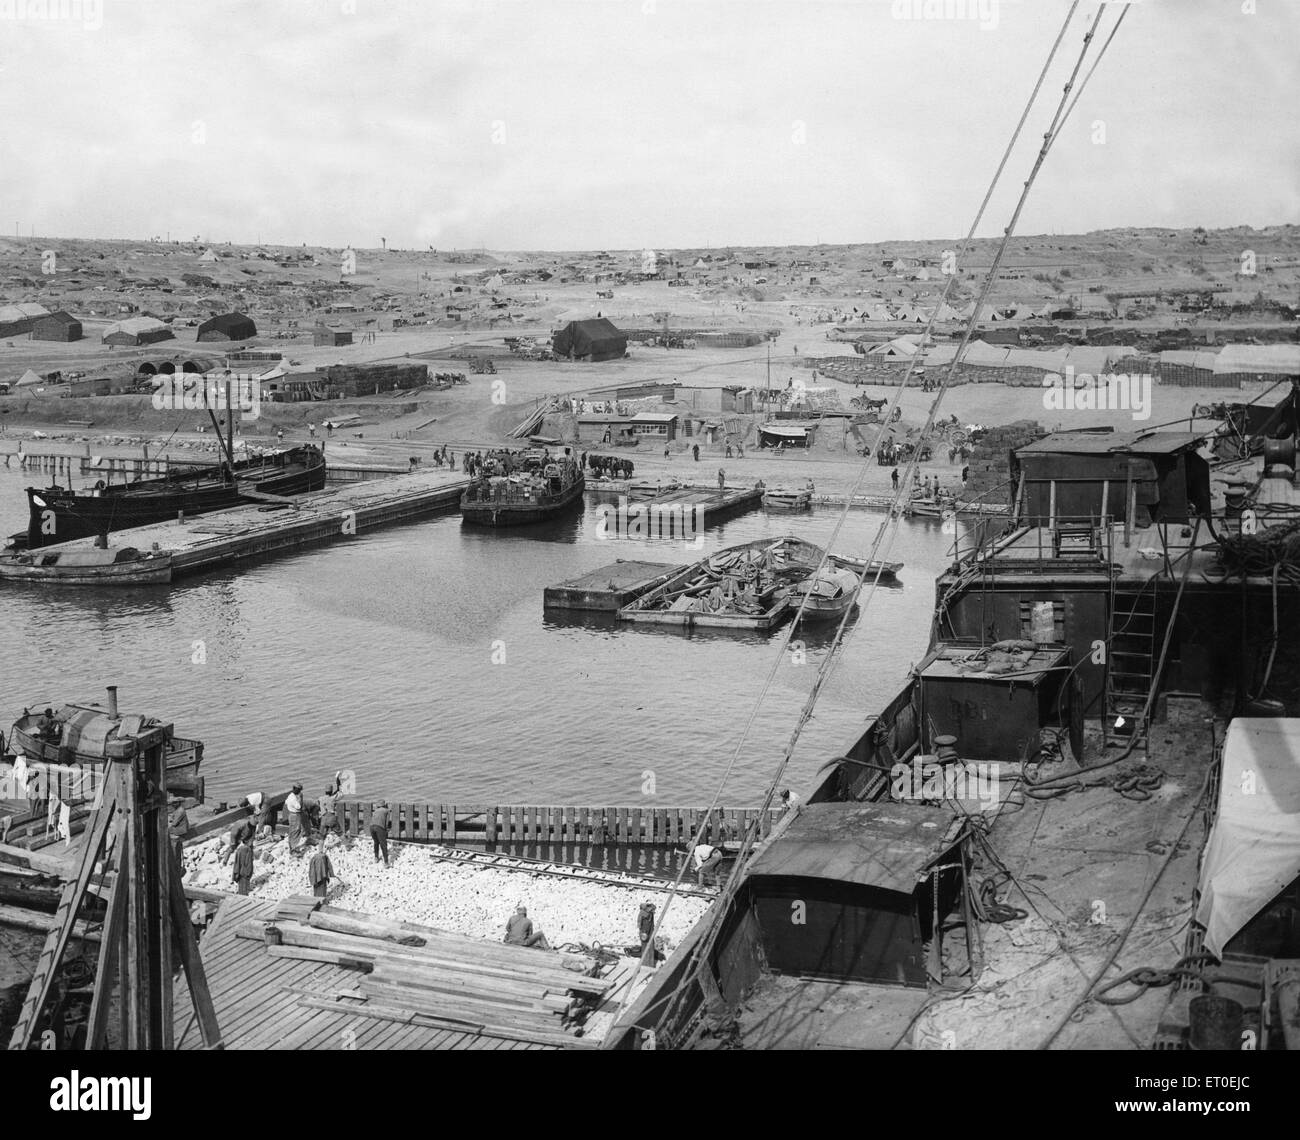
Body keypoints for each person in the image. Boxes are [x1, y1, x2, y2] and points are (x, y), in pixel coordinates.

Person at [637, 902, 661, 966]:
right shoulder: (642, 914)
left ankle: (650, 963)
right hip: (645, 933)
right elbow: (639, 924)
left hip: (649, 932)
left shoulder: (650, 914)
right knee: (645, 947)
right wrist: (642, 932)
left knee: (650, 946)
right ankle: (646, 963)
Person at [168, 802, 190, 870]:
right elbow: (173, 818)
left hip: (180, 831)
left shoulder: (180, 811)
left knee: (167, 831)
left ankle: (175, 866)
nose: (172, 805)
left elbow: (174, 823)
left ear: (177, 804)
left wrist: (171, 820)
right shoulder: (179, 809)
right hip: (180, 829)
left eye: (173, 804)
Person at [285, 783, 306, 853]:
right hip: (295, 815)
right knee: (296, 830)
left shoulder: (290, 795)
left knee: (292, 831)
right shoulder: (293, 798)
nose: (300, 792)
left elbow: (286, 802)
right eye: (299, 790)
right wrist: (300, 798)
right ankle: (293, 848)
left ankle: (291, 846)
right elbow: (299, 806)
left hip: (291, 814)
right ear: (295, 789)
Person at [371, 800, 390, 867]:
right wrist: (386, 831)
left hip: (372, 827)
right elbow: (386, 823)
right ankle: (386, 862)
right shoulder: (387, 811)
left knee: (376, 842)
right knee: (383, 845)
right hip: (379, 827)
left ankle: (376, 858)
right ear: (385, 805)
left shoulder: (376, 811)